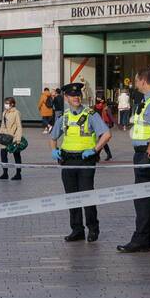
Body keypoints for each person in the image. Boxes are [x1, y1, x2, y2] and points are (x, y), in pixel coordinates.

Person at [118, 68, 150, 254]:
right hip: (148, 152)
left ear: (143, 81)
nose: (134, 83)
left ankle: (141, 239)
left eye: (136, 79)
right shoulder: (149, 100)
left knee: (143, 198)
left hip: (148, 153)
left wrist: (147, 155)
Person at [51, 82, 112, 242]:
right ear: (66, 98)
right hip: (67, 160)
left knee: (87, 195)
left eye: (78, 95)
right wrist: (54, 150)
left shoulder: (91, 114)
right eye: (72, 96)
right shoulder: (63, 117)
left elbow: (106, 134)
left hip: (85, 160)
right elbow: (53, 137)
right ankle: (77, 230)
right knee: (71, 197)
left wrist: (95, 149)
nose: (76, 98)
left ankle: (93, 229)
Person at [0, 97, 25, 181]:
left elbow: (19, 126)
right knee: (3, 154)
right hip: (4, 137)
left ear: (12, 104)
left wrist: (18, 139)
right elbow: (2, 124)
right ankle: (5, 173)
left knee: (16, 155)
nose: (6, 105)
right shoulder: (4, 112)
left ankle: (18, 173)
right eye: (5, 103)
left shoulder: (16, 113)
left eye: (7, 103)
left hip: (13, 137)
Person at [93, 95, 115, 161]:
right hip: (98, 124)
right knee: (102, 141)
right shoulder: (95, 106)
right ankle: (108, 154)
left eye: (100, 99)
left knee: (102, 140)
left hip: (104, 125)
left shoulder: (105, 106)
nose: (99, 100)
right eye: (98, 98)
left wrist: (112, 123)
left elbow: (110, 116)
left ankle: (97, 156)